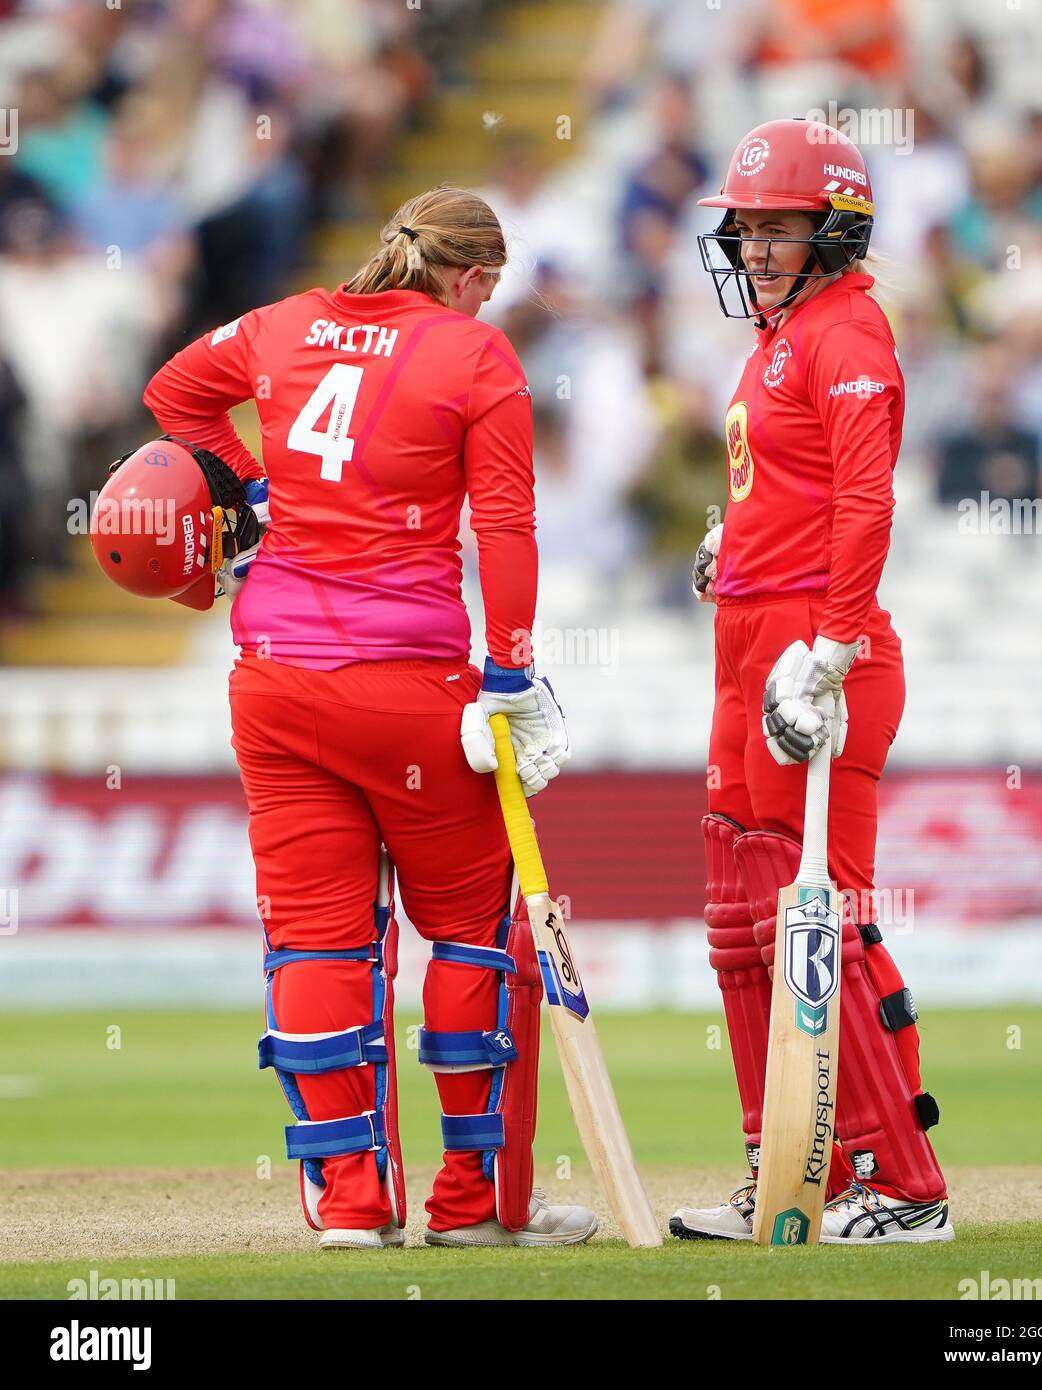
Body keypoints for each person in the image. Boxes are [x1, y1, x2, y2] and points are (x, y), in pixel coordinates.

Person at [90, 186, 589, 1251]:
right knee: (471, 937)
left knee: (317, 942)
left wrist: (261, 490)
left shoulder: (280, 326)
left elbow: (171, 392)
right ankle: (476, 1207)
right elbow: (504, 523)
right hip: (409, 683)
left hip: (272, 681)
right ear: (474, 279)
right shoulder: (474, 356)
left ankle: (349, 1208)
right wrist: (510, 674)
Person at [671, 119, 952, 1243]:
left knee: (816, 915)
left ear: (834, 229)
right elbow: (788, 483)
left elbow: (865, 502)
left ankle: (901, 1181)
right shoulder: (782, 336)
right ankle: (788, 1168)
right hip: (748, 638)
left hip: (816, 649)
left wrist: (832, 652)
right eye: (744, 227)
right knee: (739, 918)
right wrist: (725, 541)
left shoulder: (849, 330)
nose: (750, 247)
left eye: (776, 227)